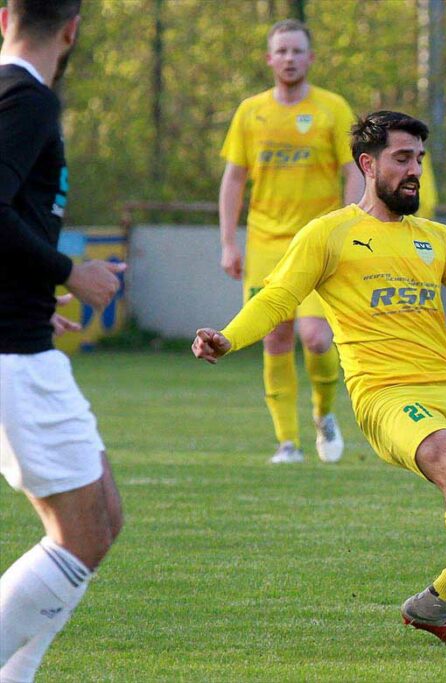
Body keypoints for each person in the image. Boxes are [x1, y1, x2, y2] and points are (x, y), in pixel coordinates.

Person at [194, 111, 446, 645]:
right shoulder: (330, 233)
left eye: (419, 160)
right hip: (385, 395)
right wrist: (229, 336)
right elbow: (278, 298)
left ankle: (434, 605)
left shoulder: (436, 238)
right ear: (367, 164)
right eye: (402, 159)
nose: (414, 171)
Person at [0, 1, 127, 680]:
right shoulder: (27, 98)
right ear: (72, 30)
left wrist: (35, 298)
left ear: (3, 18)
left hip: (23, 340)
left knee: (103, 516)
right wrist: (70, 271)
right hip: (12, 358)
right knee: (81, 533)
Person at [219, 18, 364, 465]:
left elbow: (354, 170)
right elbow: (234, 178)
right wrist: (228, 241)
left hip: (318, 242)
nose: (288, 58)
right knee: (275, 339)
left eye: (296, 50)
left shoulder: (333, 109)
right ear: (269, 59)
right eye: (281, 51)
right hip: (265, 243)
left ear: (310, 58)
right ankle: (287, 442)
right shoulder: (251, 112)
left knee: (317, 337)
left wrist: (349, 228)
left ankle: (323, 415)